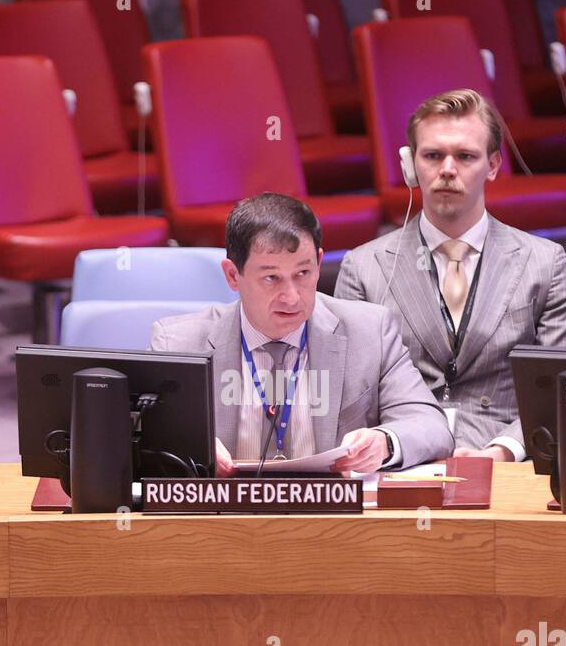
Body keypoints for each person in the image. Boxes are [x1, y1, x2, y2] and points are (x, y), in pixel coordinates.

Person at [334, 88, 566, 459]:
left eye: (465, 156)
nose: (447, 169)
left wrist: (502, 451)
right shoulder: (362, 268)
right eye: (433, 155)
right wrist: (393, 444)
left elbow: (565, 385)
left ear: (494, 165)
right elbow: (351, 393)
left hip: (508, 457)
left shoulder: (547, 264)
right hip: (402, 458)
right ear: (410, 165)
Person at [150, 193, 454, 476]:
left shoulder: (370, 331)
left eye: (303, 274)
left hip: (334, 522)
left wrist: (385, 441)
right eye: (272, 278)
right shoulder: (179, 343)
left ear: (320, 263)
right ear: (233, 275)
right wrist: (187, 444)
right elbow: (141, 439)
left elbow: (431, 424)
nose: (292, 297)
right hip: (225, 522)